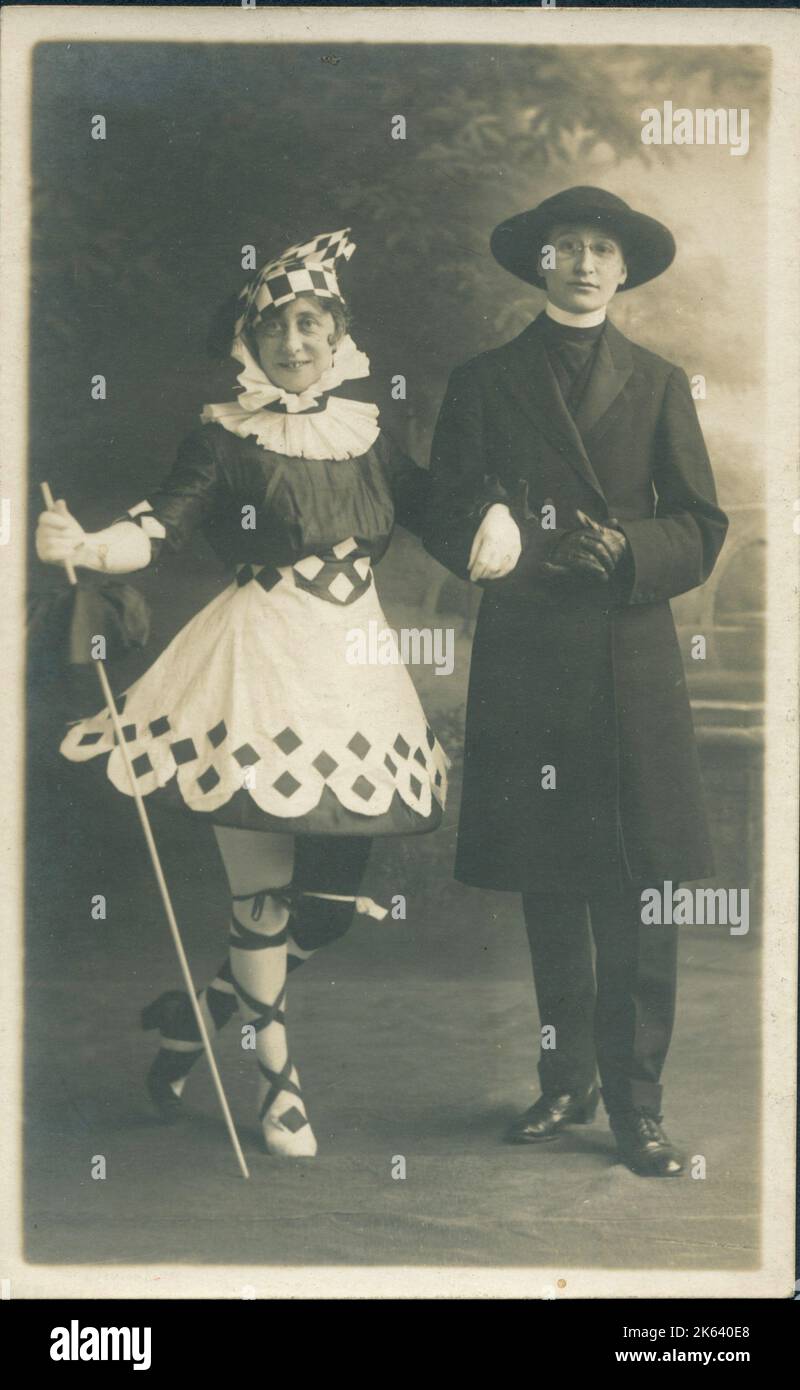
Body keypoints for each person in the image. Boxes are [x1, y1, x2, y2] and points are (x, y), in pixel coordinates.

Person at [36, 228, 448, 1159]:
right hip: (254, 670)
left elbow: (439, 509)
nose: (293, 344)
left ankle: (192, 1019)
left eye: (309, 324)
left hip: (354, 675)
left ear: (336, 332)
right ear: (250, 346)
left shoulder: (373, 435)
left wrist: (498, 515)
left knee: (329, 914)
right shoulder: (223, 439)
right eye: (275, 330)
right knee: (261, 897)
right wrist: (91, 547)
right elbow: (160, 524)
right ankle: (279, 1088)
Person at [423, 187, 728, 1177]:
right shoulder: (482, 380)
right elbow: (440, 503)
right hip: (531, 655)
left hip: (628, 662)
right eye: (566, 247)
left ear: (623, 269)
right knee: (550, 882)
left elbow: (699, 524)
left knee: (636, 887)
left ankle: (635, 1108)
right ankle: (564, 1083)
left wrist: (627, 549)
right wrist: (484, 529)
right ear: (538, 263)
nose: (584, 263)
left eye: (602, 249)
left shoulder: (658, 381)